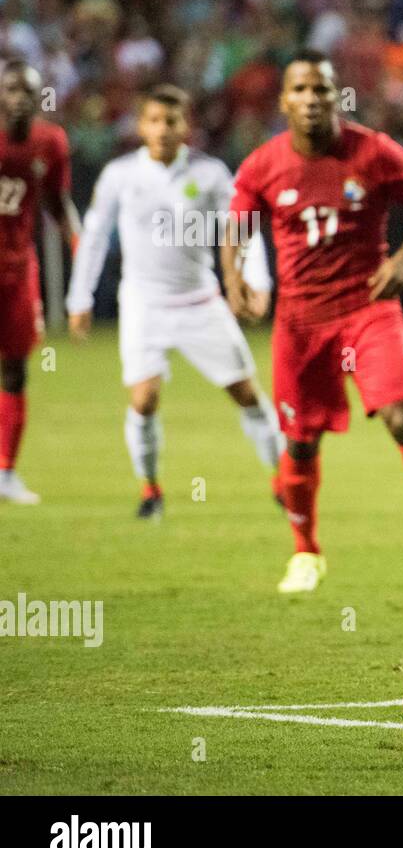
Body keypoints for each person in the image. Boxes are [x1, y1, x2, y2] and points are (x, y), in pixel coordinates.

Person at [221, 49, 403, 592]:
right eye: (300, 89)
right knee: (300, 443)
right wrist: (235, 282)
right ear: (284, 100)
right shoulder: (263, 164)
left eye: (321, 89)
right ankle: (305, 552)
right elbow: (236, 227)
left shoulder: (372, 151)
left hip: (368, 309)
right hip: (300, 323)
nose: (311, 99)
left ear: (335, 96)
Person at [66, 84, 282, 519]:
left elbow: (243, 228)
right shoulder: (120, 175)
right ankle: (151, 490)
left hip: (200, 300)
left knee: (247, 394)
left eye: (172, 121)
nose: (163, 130)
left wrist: (258, 281)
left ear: (187, 126)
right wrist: (79, 297)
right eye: (154, 121)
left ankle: (285, 479)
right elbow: (92, 238)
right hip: (143, 303)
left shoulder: (211, 174)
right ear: (141, 125)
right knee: (144, 399)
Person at [0, 61, 80, 504]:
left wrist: (79, 246)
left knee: (15, 368)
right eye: (10, 90)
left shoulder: (50, 142)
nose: (18, 99)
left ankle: (6, 473)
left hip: (16, 270)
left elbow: (57, 202)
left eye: (27, 92)